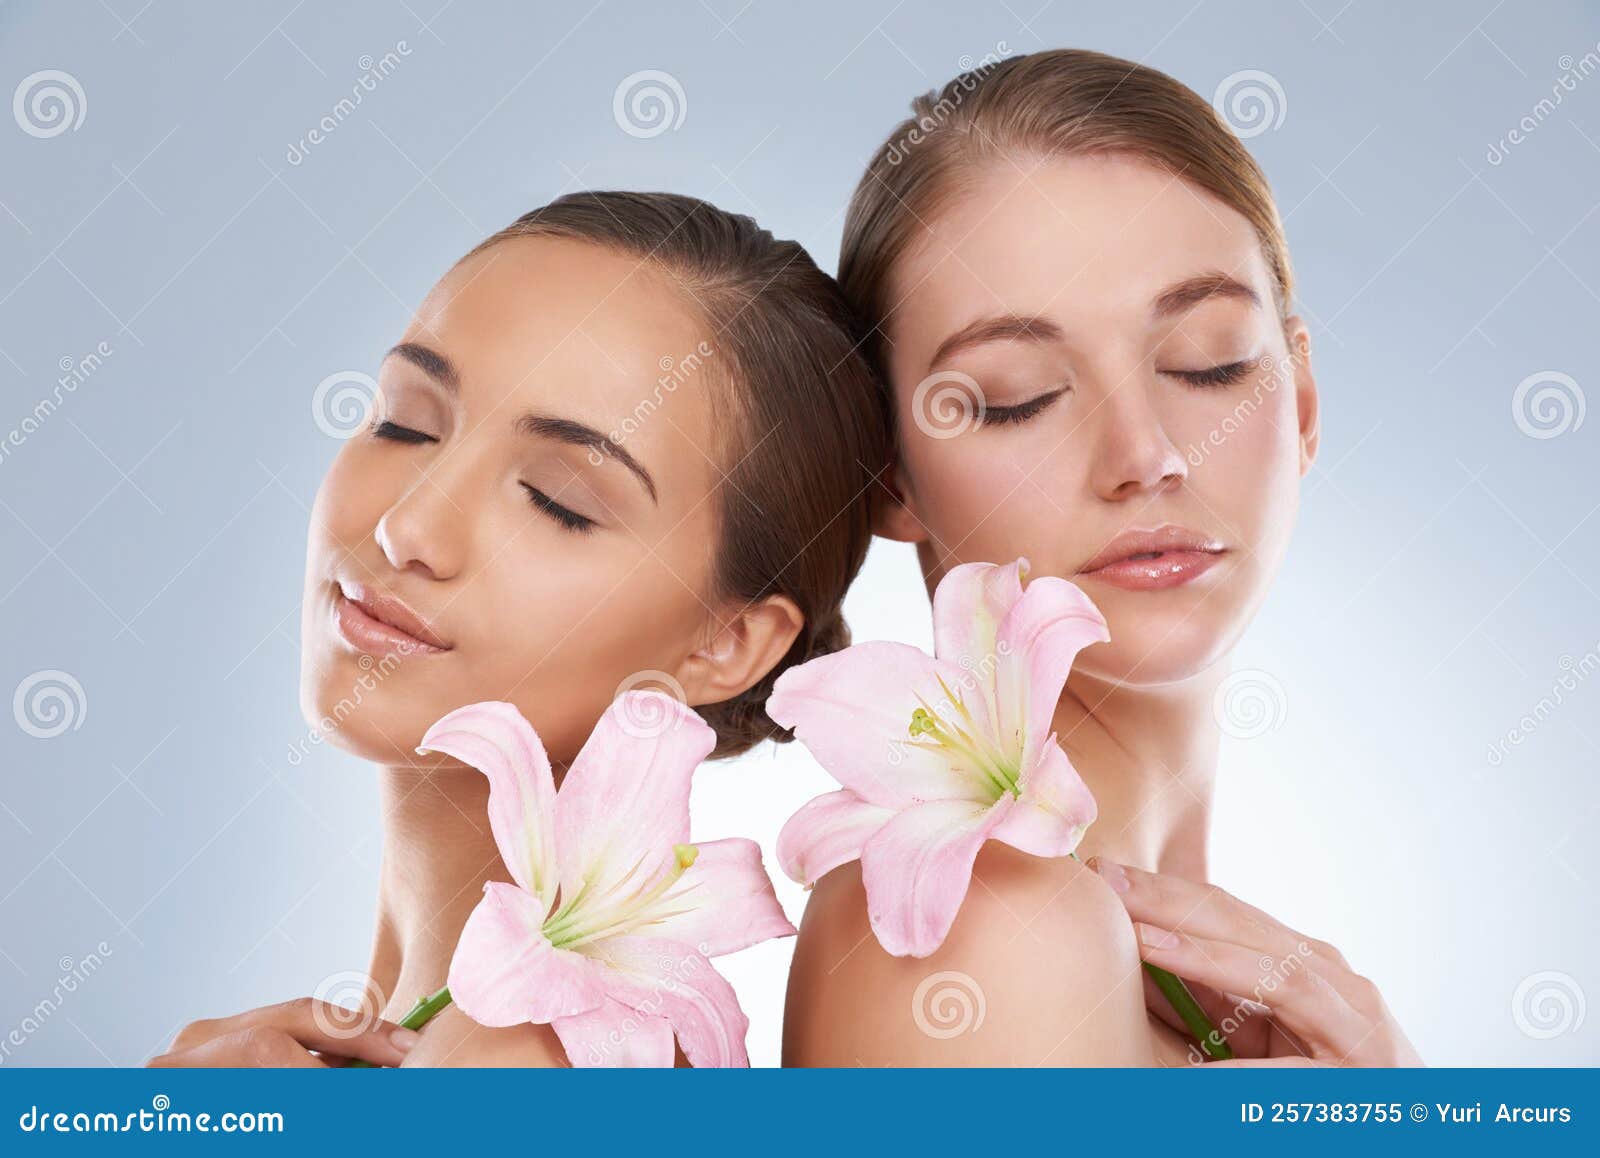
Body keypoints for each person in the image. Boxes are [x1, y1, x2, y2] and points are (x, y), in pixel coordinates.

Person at [782, 49, 1421, 1067]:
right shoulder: (985, 922)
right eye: (1017, 394)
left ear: (1298, 400)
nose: (1147, 457)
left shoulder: (1248, 1012)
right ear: (888, 479)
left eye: (1208, 360)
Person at [148, 191, 889, 1067]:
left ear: (725, 643)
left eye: (557, 501)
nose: (409, 527)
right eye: (406, 422)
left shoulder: (520, 1059)